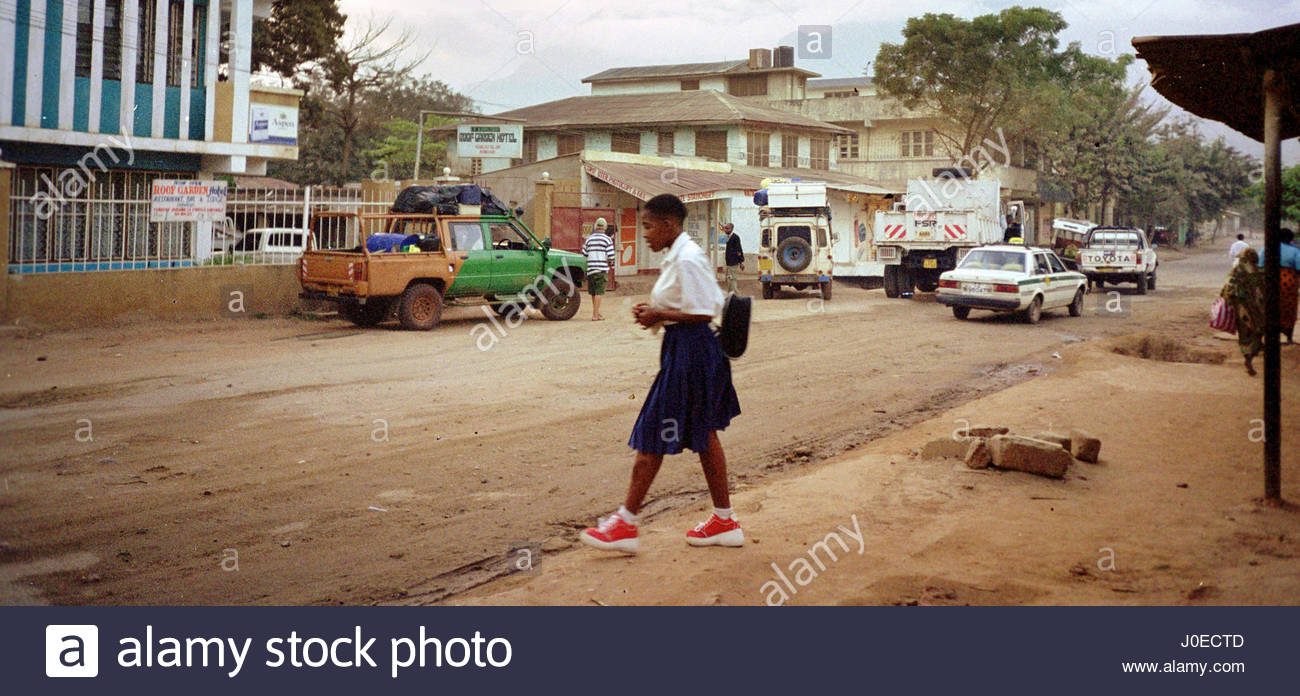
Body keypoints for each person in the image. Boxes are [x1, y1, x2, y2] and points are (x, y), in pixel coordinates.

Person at [580, 194, 743, 554]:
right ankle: (724, 520)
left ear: (670, 224)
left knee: (654, 430)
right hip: (688, 349)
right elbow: (691, 306)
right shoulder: (680, 256)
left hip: (692, 351)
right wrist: (656, 310)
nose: (646, 235)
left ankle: (626, 523)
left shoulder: (686, 258)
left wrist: (658, 315)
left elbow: (704, 311)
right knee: (704, 434)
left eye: (649, 226)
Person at [1224, 248, 1266, 375]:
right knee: (1258, 331)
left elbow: (1227, 291)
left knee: (1244, 334)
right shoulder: (1259, 271)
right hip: (1257, 310)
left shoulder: (1237, 271)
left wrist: (1230, 304)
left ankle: (1248, 356)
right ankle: (1254, 352)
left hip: (1242, 310)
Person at [1256, 228, 1300, 344]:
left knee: (1267, 307)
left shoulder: (1266, 248)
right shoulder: (1294, 251)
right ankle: (1289, 337)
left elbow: (1260, 264)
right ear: (1290, 239)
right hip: (1288, 282)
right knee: (1288, 308)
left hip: (1269, 280)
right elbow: (1298, 268)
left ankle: (1263, 337)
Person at [582, 218, 616, 321]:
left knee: (593, 292)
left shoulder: (589, 239)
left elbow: (584, 254)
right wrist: (612, 266)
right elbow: (611, 256)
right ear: (605, 227)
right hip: (601, 269)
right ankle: (595, 315)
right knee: (599, 292)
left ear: (595, 227)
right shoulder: (607, 239)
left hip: (591, 269)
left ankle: (596, 312)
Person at [722, 222, 744, 294]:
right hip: (729, 263)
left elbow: (739, 250)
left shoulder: (735, 238)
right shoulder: (728, 237)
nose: (726, 230)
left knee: (732, 280)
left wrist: (741, 262)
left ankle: (738, 297)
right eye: (725, 228)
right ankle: (730, 295)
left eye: (727, 228)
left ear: (732, 229)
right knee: (729, 280)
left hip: (733, 263)